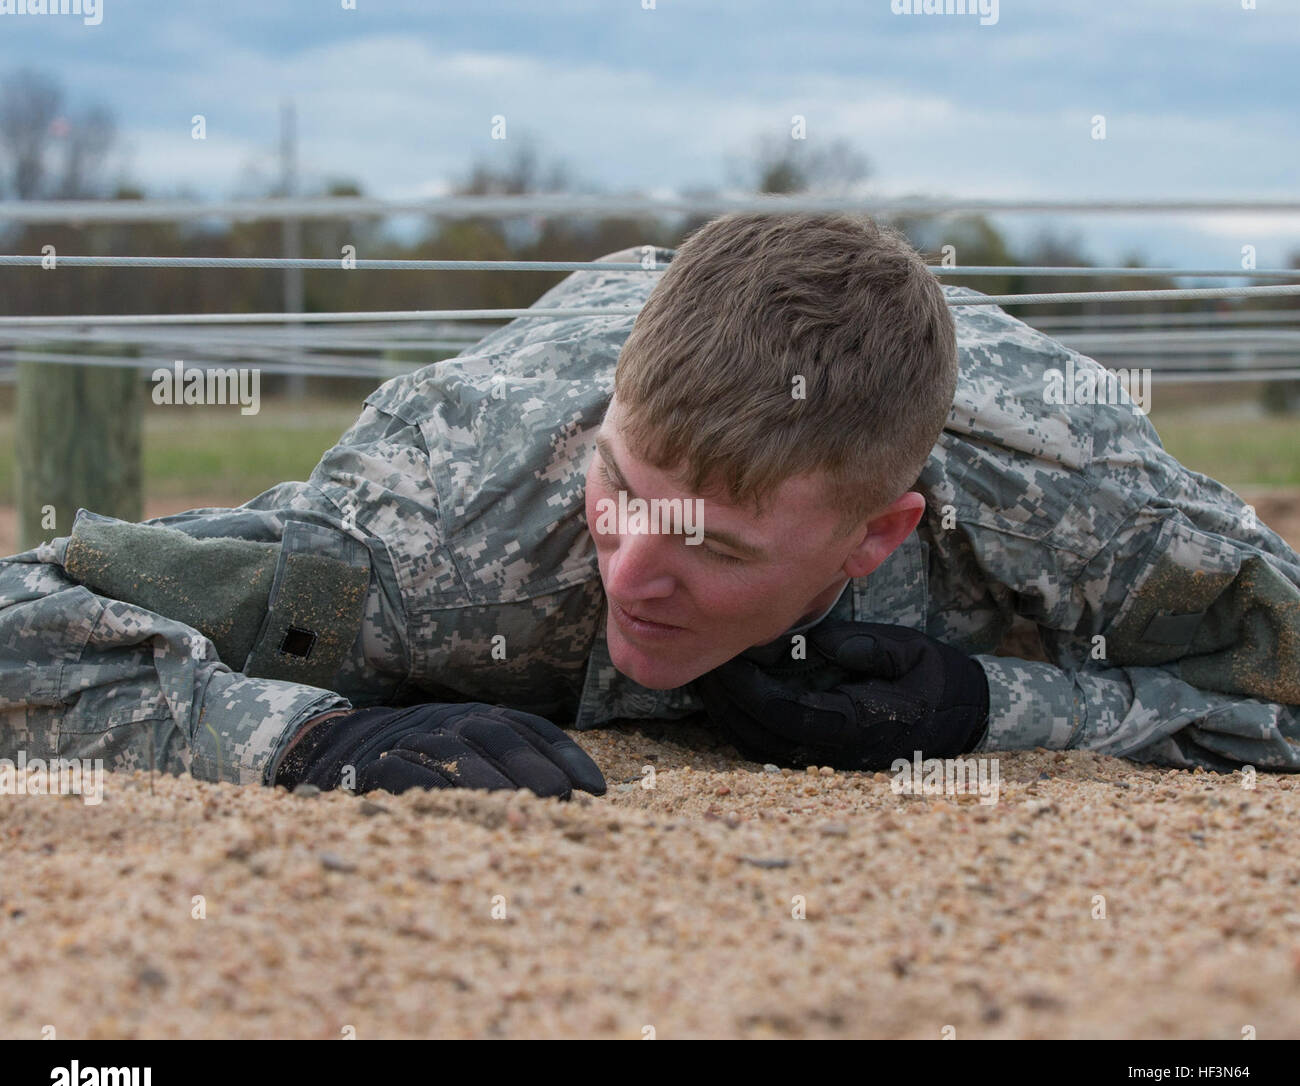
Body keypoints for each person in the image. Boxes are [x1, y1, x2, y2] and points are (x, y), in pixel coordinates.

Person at [2, 212, 1298, 800]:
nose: (629, 573)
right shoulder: (435, 515)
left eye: (716, 548)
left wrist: (990, 706)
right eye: (619, 491)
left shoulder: (1088, 503)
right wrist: (307, 739)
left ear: (875, 537)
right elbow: (26, 616)